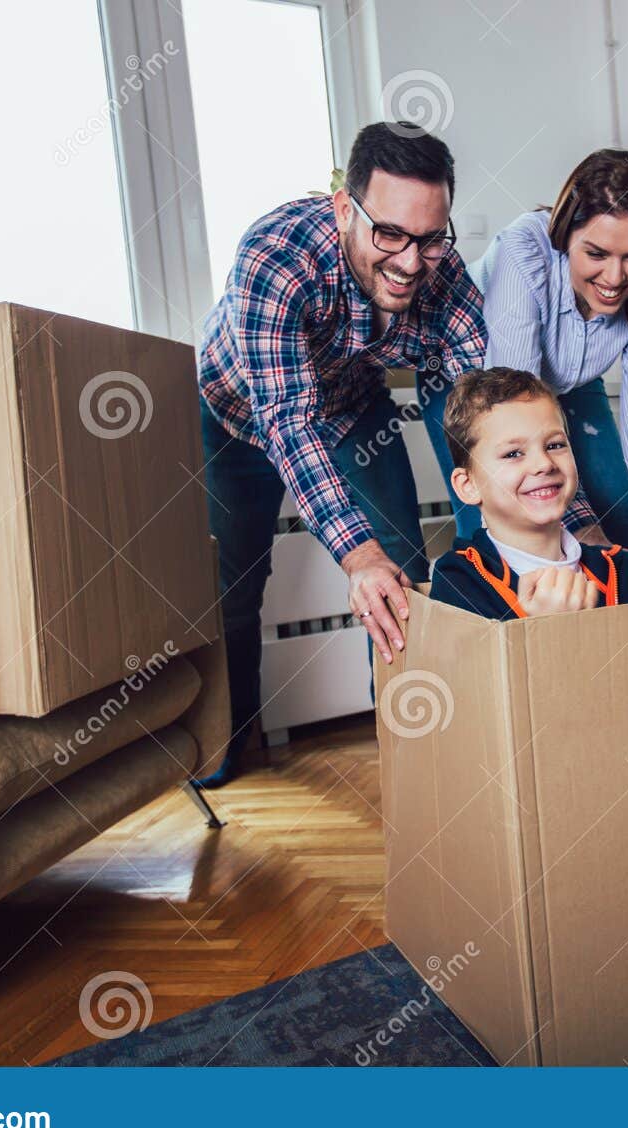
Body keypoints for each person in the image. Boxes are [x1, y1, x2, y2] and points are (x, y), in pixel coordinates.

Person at [194, 122, 488, 787]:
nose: (411, 262)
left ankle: (407, 736)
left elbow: (485, 399)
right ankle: (227, 740)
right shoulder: (274, 258)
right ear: (343, 209)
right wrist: (355, 557)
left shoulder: (442, 271)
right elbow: (289, 425)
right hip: (238, 416)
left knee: (401, 568)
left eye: (430, 238)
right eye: (388, 235)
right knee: (234, 591)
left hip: (353, 409)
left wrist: (535, 506)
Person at [424, 149, 628, 577]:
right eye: (596, 254)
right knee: (502, 523)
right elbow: (516, 413)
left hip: (570, 380)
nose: (614, 279)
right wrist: (582, 535)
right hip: (480, 382)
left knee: (627, 528)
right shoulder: (523, 252)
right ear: (564, 234)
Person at [429, 368, 628, 621]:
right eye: (513, 453)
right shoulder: (458, 580)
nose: (543, 464)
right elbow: (477, 684)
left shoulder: (621, 568)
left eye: (555, 445)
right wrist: (543, 633)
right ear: (468, 486)